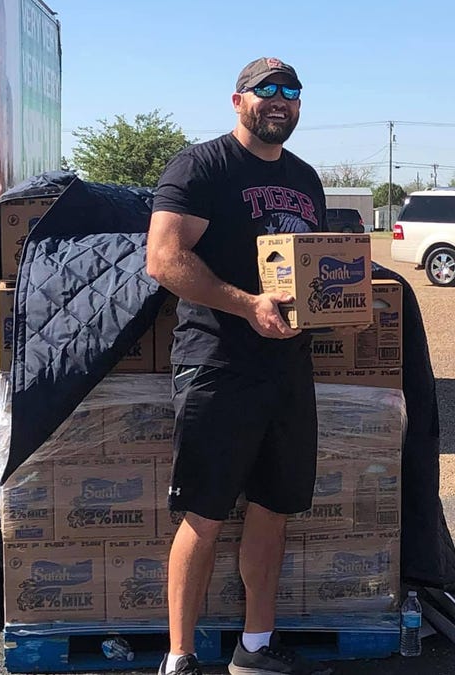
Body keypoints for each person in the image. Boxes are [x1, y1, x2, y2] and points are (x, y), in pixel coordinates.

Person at [146, 57, 331, 675]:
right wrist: (246, 305)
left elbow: (313, 267)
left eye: (292, 92)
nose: (280, 100)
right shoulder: (201, 167)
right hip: (218, 364)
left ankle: (254, 647)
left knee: (274, 507)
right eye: (267, 91)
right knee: (205, 511)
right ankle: (181, 657)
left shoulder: (306, 180)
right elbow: (164, 260)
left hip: (286, 368)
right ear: (237, 100)